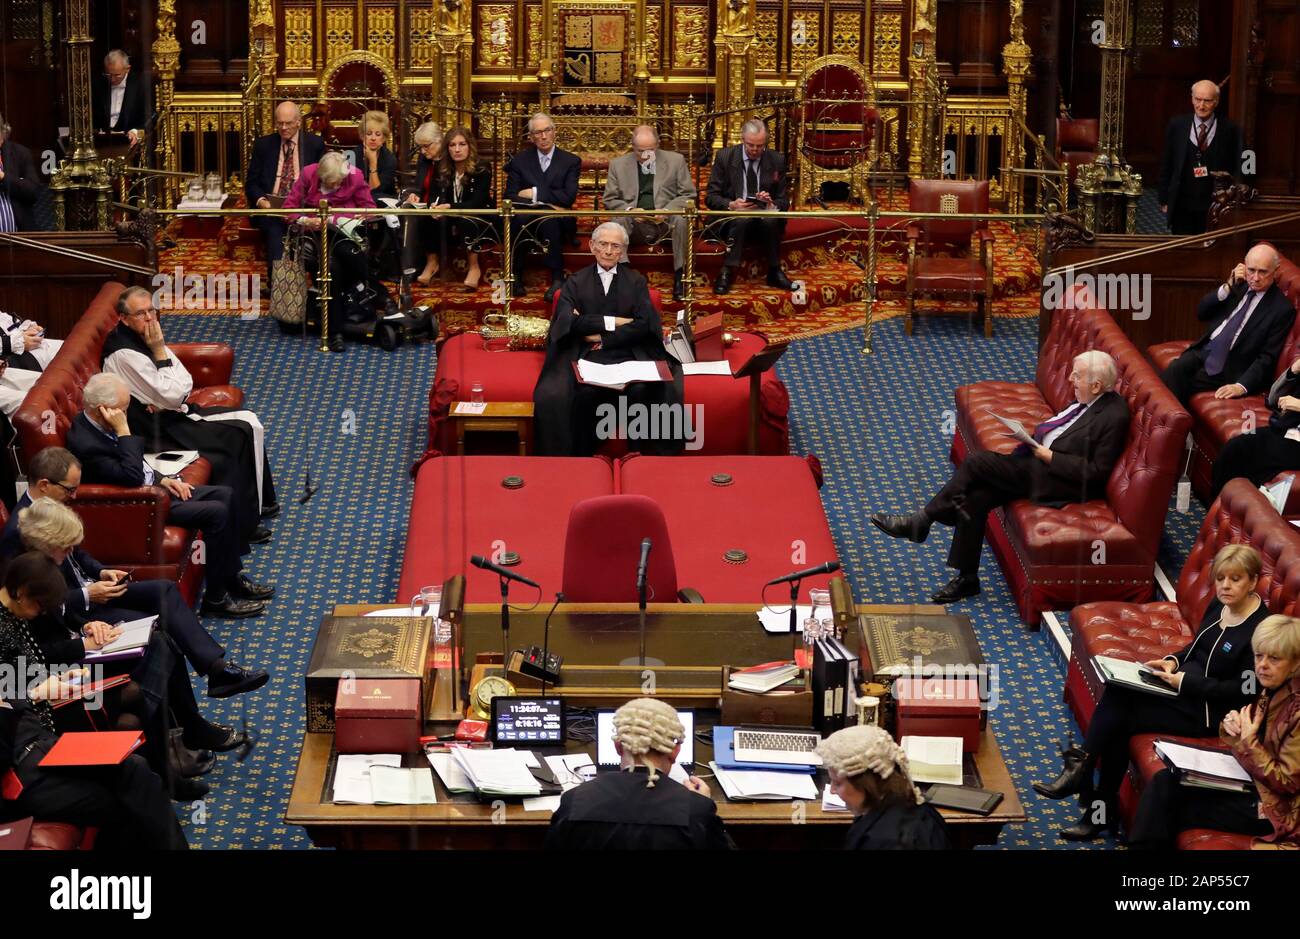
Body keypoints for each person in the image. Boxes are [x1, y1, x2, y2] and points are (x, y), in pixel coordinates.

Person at [1034, 544, 1269, 841]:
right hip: (1181, 692)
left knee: (1120, 716)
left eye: (1235, 579)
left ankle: (1086, 780)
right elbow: (1196, 647)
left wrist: (1184, 682)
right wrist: (1172, 660)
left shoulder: (1260, 630)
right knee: (1118, 694)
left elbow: (1244, 691)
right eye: (1220, 578)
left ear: (1253, 580)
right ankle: (1089, 786)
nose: (1225, 586)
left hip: (1209, 714)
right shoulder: (1220, 605)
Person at [871, 350, 1129, 603]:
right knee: (975, 499)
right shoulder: (1087, 398)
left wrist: (1045, 454)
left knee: (977, 463)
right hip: (1036, 460)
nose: (1070, 378)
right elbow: (1063, 429)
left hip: (1058, 479)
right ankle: (967, 579)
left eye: (1077, 375)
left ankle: (923, 521)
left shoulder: (1113, 416)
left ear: (1096, 385)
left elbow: (1094, 473)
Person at [0, 548, 243, 802]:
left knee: (146, 673)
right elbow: (13, 689)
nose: (40, 612)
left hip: (59, 684)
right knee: (133, 707)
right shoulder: (10, 619)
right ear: (20, 594)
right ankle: (167, 772)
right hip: (43, 711)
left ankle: (168, 772)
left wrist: (83, 626)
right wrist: (42, 687)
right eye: (39, 607)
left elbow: (49, 636)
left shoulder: (20, 606)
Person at [8, 486, 268, 699]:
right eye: (65, 550)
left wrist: (101, 573)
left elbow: (80, 558)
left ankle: (217, 669)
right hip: (82, 621)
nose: (68, 554)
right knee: (162, 635)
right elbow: (46, 635)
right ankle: (193, 723)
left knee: (164, 590)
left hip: (90, 608)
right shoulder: (30, 578)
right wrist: (87, 611)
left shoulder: (56, 548)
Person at [66, 373, 274, 615]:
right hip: (140, 505)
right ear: (102, 410)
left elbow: (135, 466)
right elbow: (130, 475)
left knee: (225, 494)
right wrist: (124, 431)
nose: (126, 413)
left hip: (152, 489)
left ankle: (231, 578)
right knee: (216, 513)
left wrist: (163, 479)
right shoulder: (85, 443)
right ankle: (216, 600)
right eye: (122, 409)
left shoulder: (101, 423)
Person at [104, 286, 277, 532]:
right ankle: (244, 524)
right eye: (141, 314)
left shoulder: (149, 338)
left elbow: (184, 383)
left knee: (248, 422)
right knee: (233, 437)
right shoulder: (123, 355)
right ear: (124, 319)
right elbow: (173, 395)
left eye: (152, 311)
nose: (150, 319)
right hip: (154, 430)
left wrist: (160, 351)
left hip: (168, 414)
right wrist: (161, 360)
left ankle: (261, 503)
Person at [1128, 614, 1300, 848]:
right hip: (1252, 781)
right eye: (1259, 656)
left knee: (1173, 806)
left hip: (1276, 809)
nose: (1262, 665)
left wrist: (1248, 741)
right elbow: (1248, 734)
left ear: (1296, 663)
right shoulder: (1271, 686)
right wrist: (1232, 725)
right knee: (1164, 780)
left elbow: (1286, 782)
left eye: (1275, 659)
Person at [532, 223, 684, 457]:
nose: (609, 251)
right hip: (589, 354)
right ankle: (585, 456)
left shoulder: (636, 281)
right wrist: (618, 321)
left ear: (623, 250)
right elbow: (570, 324)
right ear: (592, 246)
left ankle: (638, 455)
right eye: (603, 244)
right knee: (582, 393)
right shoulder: (575, 282)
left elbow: (644, 325)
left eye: (616, 246)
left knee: (643, 389)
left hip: (628, 352)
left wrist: (600, 334)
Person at [545, 697, 733, 850]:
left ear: (618, 747)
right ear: (674, 752)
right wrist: (702, 805)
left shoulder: (573, 801)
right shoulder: (697, 810)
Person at [1159, 244, 1294, 408]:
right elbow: (1202, 313)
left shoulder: (1281, 309)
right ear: (1243, 266)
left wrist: (1241, 386)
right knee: (1176, 369)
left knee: (1174, 380)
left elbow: (1267, 357)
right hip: (1206, 350)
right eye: (1251, 270)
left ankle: (1162, 426)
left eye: (1263, 272)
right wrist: (1228, 285)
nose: (1256, 278)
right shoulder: (1239, 285)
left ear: (1275, 270)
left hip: (1231, 366)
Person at [283, 150, 379, 352]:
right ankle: (337, 331)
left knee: (345, 255)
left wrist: (343, 218)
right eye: (331, 183)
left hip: (343, 232)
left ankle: (337, 328)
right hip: (314, 233)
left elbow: (369, 209)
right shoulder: (309, 174)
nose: (336, 187)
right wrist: (305, 220)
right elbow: (288, 208)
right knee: (332, 270)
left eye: (339, 183)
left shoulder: (354, 176)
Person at [603, 125, 698, 302]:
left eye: (651, 150)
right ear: (632, 147)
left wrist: (667, 210)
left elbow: (688, 195)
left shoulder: (676, 161)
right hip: (636, 225)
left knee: (682, 217)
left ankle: (681, 276)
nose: (646, 155)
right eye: (641, 151)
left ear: (658, 145)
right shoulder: (618, 165)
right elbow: (610, 199)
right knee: (619, 218)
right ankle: (623, 274)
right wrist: (631, 211)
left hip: (666, 224)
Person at [816, 725, 951, 849]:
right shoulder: (919, 807)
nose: (832, 790)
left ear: (866, 785)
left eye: (837, 783)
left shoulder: (884, 842)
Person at [705, 118, 793, 295]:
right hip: (733, 219)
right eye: (750, 145)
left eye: (760, 146)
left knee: (770, 221)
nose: (755, 150)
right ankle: (728, 270)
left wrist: (771, 204)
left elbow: (784, 202)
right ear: (742, 140)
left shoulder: (776, 159)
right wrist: (731, 204)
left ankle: (774, 270)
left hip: (764, 218)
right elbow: (711, 197)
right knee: (742, 218)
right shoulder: (725, 157)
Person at [244, 101, 326, 280]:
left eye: (288, 123)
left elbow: (324, 182)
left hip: (304, 208)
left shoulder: (314, 144)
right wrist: (262, 202)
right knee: (275, 236)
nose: (283, 127)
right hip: (273, 210)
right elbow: (251, 183)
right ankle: (278, 291)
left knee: (318, 241)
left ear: (298, 122)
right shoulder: (263, 145)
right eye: (279, 123)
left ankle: (316, 291)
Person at [504, 112, 581, 301]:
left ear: (554, 132)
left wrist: (533, 193)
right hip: (526, 217)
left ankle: (556, 277)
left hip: (559, 221)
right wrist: (549, 203)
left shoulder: (570, 161)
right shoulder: (520, 161)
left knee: (549, 218)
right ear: (531, 137)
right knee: (520, 218)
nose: (543, 136)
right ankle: (515, 276)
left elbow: (568, 197)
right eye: (538, 133)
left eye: (547, 130)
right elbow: (510, 197)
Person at [1158, 80, 1245, 236]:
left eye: (1207, 101)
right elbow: (1167, 163)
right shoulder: (1177, 125)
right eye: (1198, 99)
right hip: (1182, 203)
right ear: (1192, 99)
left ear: (1216, 102)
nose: (1201, 105)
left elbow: (1248, 157)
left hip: (1215, 204)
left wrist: (1246, 182)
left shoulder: (1231, 129)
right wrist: (1164, 199)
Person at [1211, 354, 1300, 499]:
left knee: (1251, 461)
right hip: (1286, 429)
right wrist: (1292, 371)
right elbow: (1272, 399)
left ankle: (1228, 511)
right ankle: (1218, 511)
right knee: (1234, 449)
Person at [405, 121, 447, 285]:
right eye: (420, 147)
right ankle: (407, 267)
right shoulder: (425, 157)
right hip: (425, 203)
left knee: (429, 217)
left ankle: (431, 263)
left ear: (440, 141)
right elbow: (419, 184)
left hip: (443, 204)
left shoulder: (449, 157)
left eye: (426, 146)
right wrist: (414, 194)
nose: (422, 151)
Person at [92, 50, 148, 144]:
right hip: (103, 141)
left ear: (128, 69)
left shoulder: (140, 85)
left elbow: (150, 115)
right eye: (109, 74)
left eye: (117, 75)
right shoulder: (98, 84)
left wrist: (135, 131)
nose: (112, 79)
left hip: (130, 140)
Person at [0, 113, 42, 233]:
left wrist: (3, 177)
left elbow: (33, 192)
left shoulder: (19, 154)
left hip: (21, 241)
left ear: (2, 134)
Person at [352, 109, 397, 203]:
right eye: (369, 134)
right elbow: (349, 189)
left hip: (381, 205)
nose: (373, 138)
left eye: (378, 134)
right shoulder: (351, 156)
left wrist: (373, 162)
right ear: (362, 136)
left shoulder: (390, 159)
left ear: (384, 138)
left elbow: (375, 191)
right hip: (355, 203)